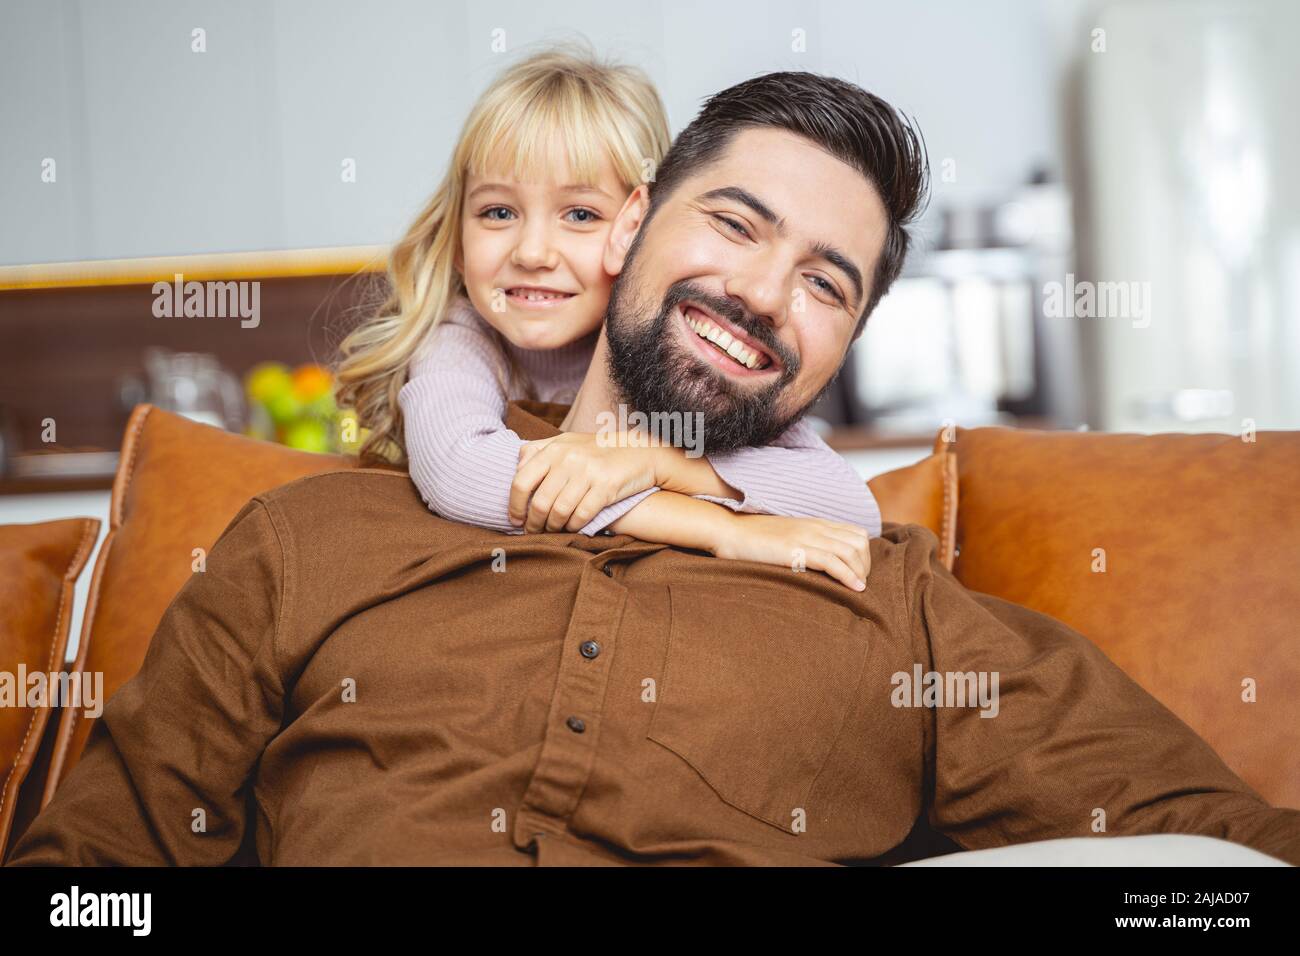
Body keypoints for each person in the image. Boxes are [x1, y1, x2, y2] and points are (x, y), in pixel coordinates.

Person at [8, 70, 1298, 867]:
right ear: (631, 234)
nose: (758, 292)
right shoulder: (312, 534)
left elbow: (1200, 841)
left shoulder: (891, 600)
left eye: (822, 283)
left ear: (840, 344)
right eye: (734, 225)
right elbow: (103, 865)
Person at [336, 45, 880, 593]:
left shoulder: (669, 351)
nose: (532, 252)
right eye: (498, 212)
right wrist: (714, 526)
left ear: (635, 232)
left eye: (579, 215)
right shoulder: (460, 338)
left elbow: (851, 504)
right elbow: (463, 473)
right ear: (456, 240)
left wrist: (653, 460)